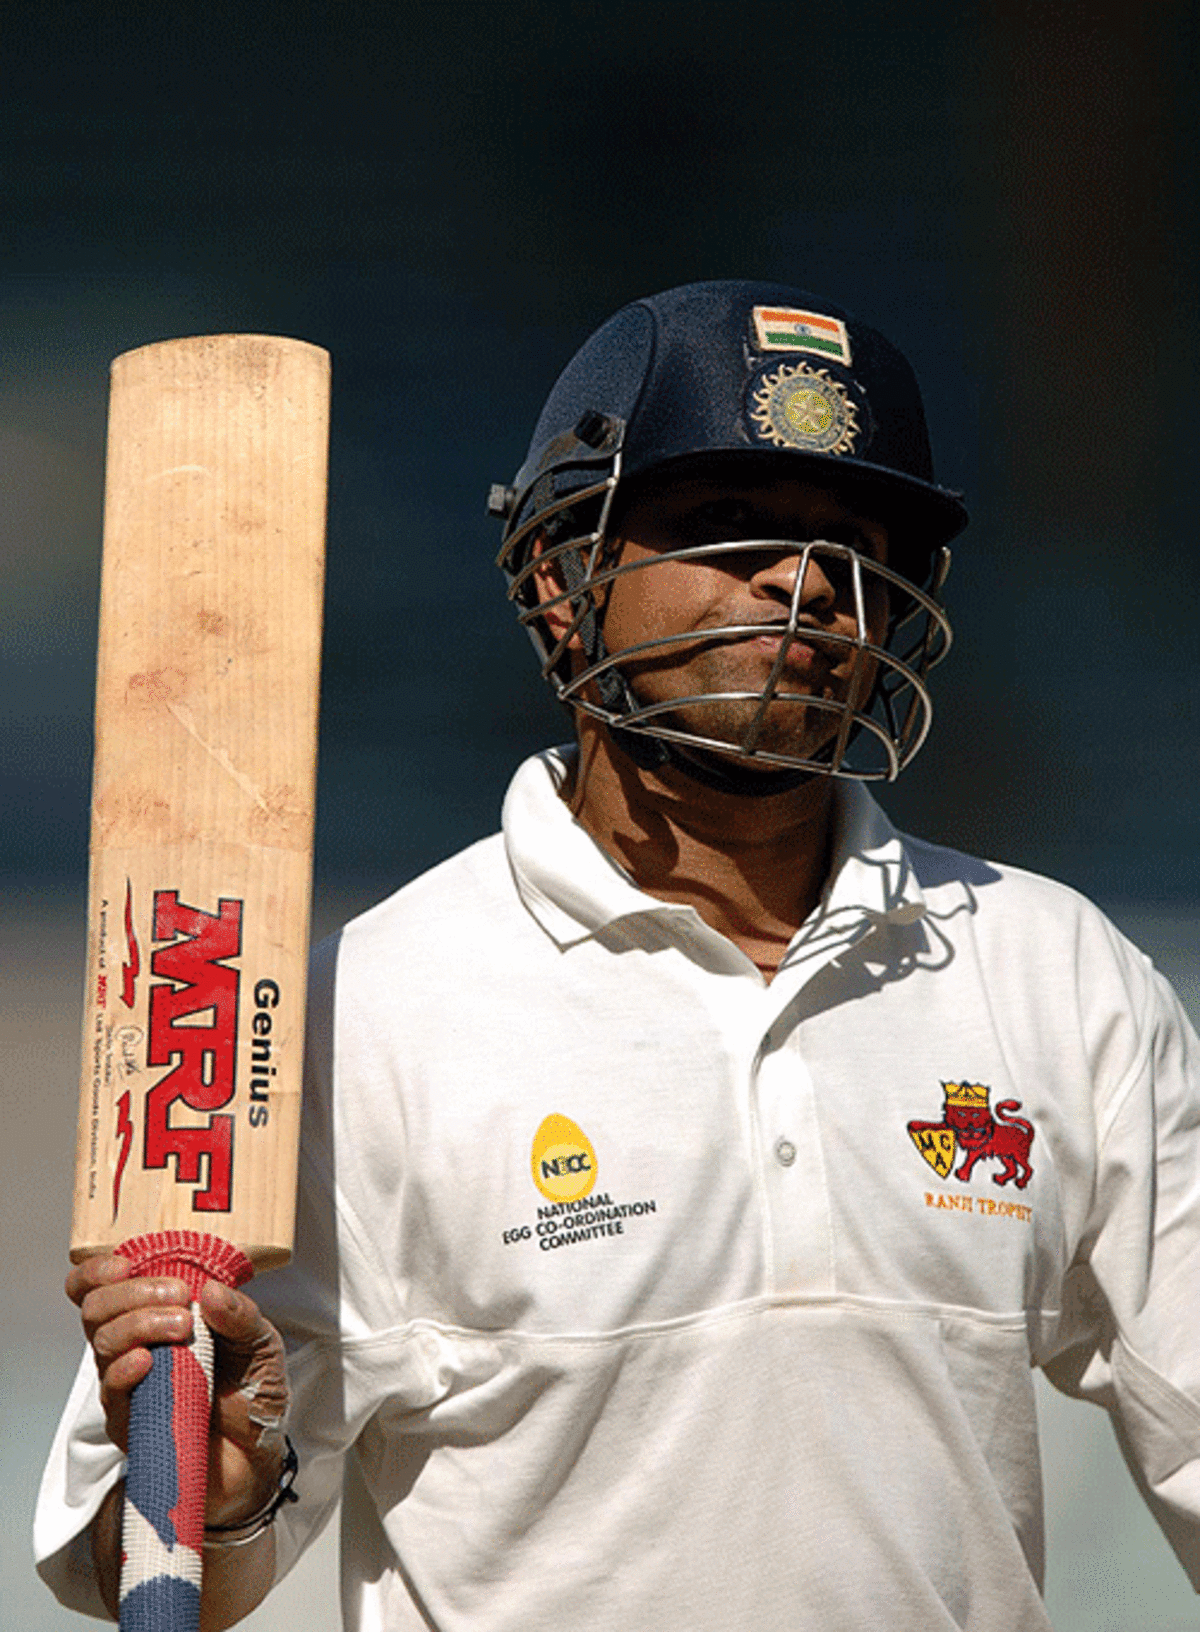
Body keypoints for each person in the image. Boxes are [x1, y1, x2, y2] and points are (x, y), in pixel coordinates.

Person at [36, 280, 1200, 1629]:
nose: (806, 581)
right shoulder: (361, 1014)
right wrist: (228, 1492)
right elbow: (135, 1563)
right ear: (560, 574)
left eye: (854, 546)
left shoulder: (1057, 978)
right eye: (728, 528)